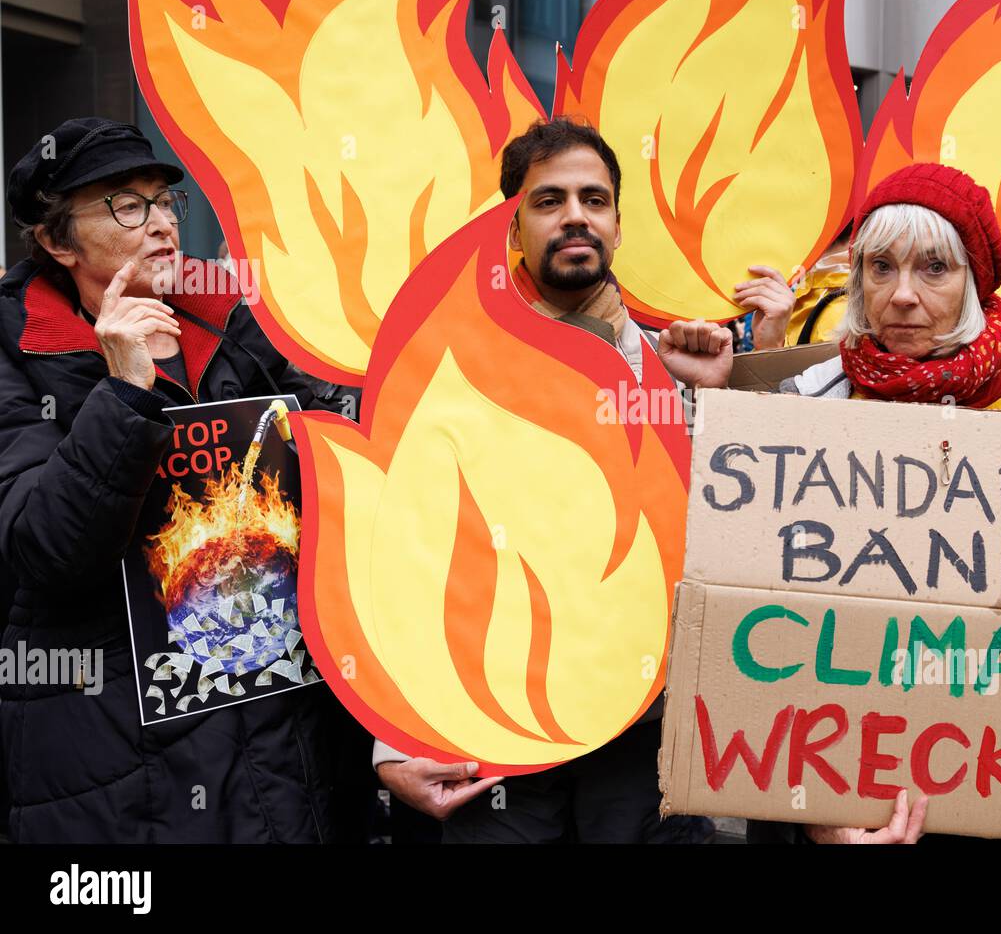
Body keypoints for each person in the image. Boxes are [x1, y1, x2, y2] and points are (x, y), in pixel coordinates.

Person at [657, 161, 1001, 842]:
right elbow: (746, 626)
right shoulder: (799, 419)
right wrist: (820, 820)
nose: (902, 295)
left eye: (933, 268)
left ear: (974, 282)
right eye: (881, 267)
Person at [0, 117, 379, 842]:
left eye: (163, 200)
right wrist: (124, 396)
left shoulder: (242, 330)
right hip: (119, 759)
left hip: (280, 741)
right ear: (56, 242)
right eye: (125, 205)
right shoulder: (17, 354)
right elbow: (43, 547)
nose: (161, 223)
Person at [374, 117, 743, 843]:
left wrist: (713, 405)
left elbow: (724, 548)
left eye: (593, 199)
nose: (576, 215)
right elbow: (401, 548)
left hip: (646, 733)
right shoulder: (443, 367)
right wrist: (392, 740)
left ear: (616, 223)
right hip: (491, 735)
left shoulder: (679, 370)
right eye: (549, 201)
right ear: (512, 229)